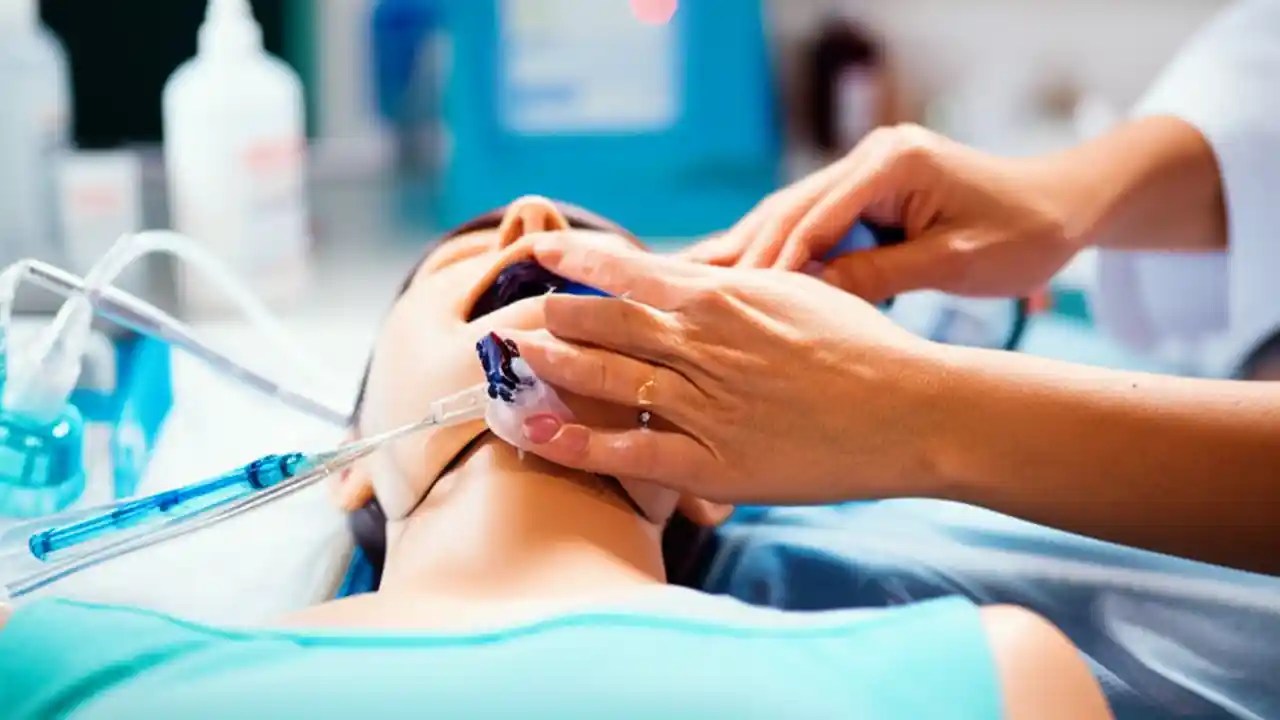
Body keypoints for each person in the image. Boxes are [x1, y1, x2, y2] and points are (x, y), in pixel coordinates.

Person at [0, 198, 1112, 719]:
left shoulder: (996, 679)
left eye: (607, 262)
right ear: (348, 462)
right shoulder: (41, 659)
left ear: (720, 483)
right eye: (463, 248)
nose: (530, 219)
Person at [498, 1, 1280, 576]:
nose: (525, 218)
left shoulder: (1008, 668)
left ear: (709, 489)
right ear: (365, 462)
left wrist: (919, 411)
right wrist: (1068, 196)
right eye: (476, 272)